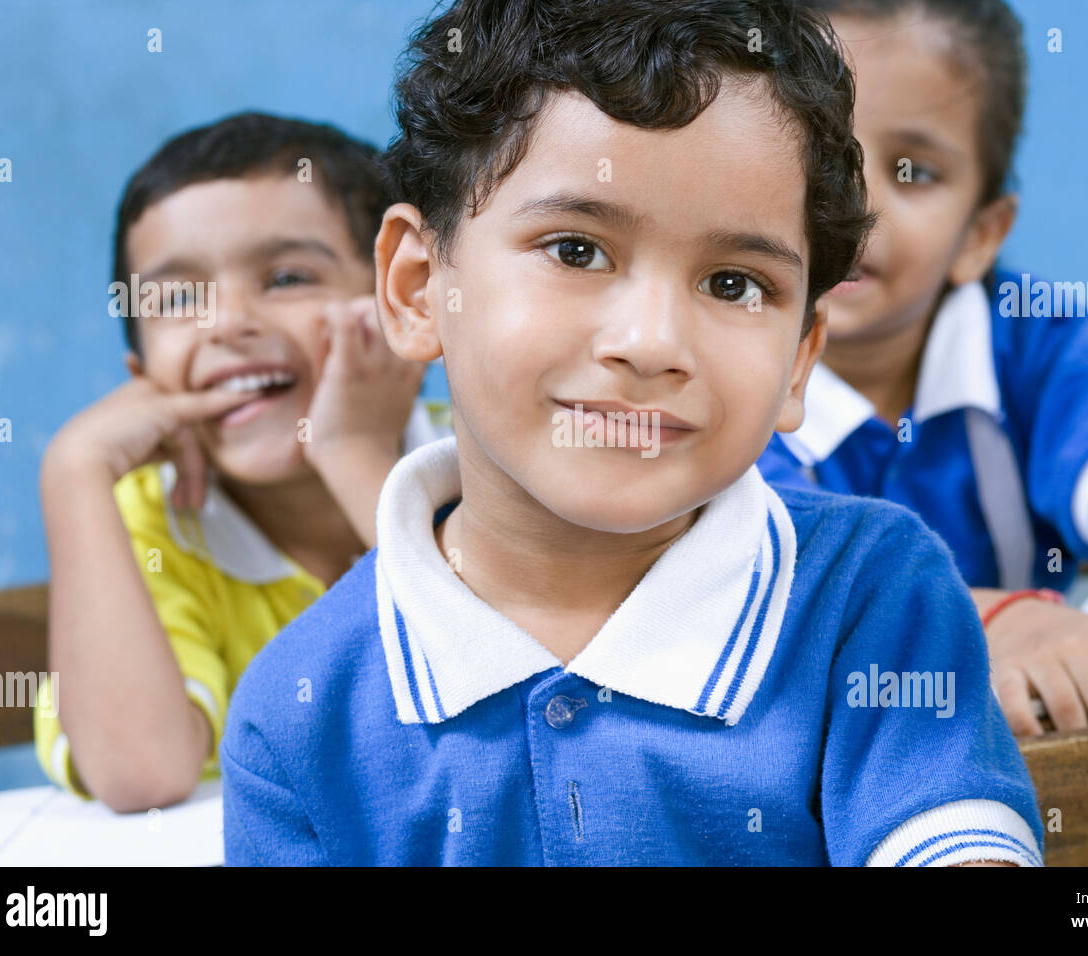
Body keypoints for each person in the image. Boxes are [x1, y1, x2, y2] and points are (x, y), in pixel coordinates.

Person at [221, 0, 1044, 867]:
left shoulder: (872, 598)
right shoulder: (297, 713)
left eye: (733, 283)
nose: (652, 342)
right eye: (576, 250)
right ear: (421, 287)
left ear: (800, 358)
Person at [760, 0, 1088, 736]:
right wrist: (998, 619)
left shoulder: (1023, 334)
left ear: (980, 235)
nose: (857, 205)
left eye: (914, 171)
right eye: (821, 158)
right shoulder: (719, 360)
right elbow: (787, 573)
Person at [34, 113, 441, 810]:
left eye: (286, 277)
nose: (228, 323)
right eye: (180, 299)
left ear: (401, 307)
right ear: (142, 377)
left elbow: (516, 656)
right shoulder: (155, 530)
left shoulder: (487, 465)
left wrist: (353, 454)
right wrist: (73, 473)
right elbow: (141, 773)